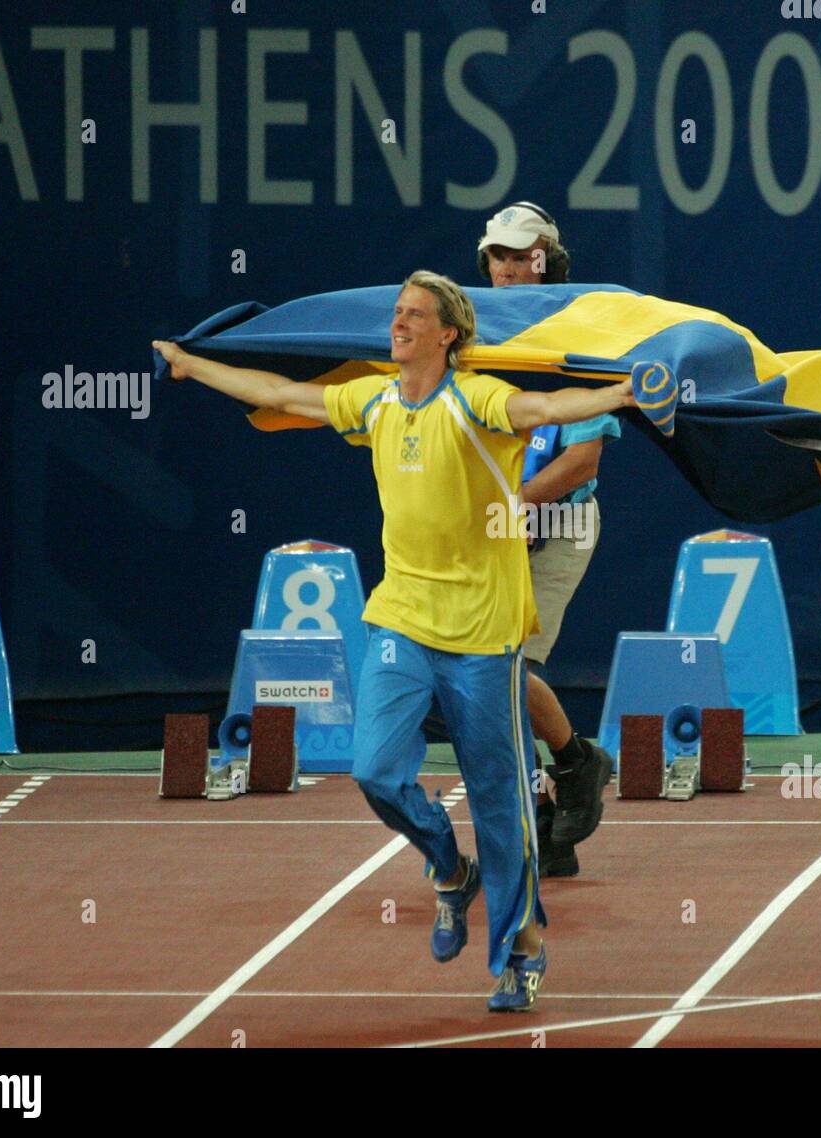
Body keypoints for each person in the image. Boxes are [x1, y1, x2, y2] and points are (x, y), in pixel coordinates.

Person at [153, 271, 639, 1012]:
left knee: (499, 801)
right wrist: (193, 367)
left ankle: (520, 949)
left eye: (415, 315)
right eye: (397, 313)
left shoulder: (474, 400)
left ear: (449, 334)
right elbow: (281, 395)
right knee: (375, 770)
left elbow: (542, 406)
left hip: (482, 632)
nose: (398, 323)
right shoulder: (375, 398)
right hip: (402, 619)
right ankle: (449, 868)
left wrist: (618, 395)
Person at [477, 202, 618, 877]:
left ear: (548, 262)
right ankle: (541, 824)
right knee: (482, 678)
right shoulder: (469, 339)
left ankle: (576, 761)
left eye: (521, 257)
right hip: (489, 530)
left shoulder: (582, 343)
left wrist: (516, 504)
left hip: (559, 526)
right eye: (498, 258)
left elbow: (582, 462)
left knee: (505, 668)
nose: (508, 269)